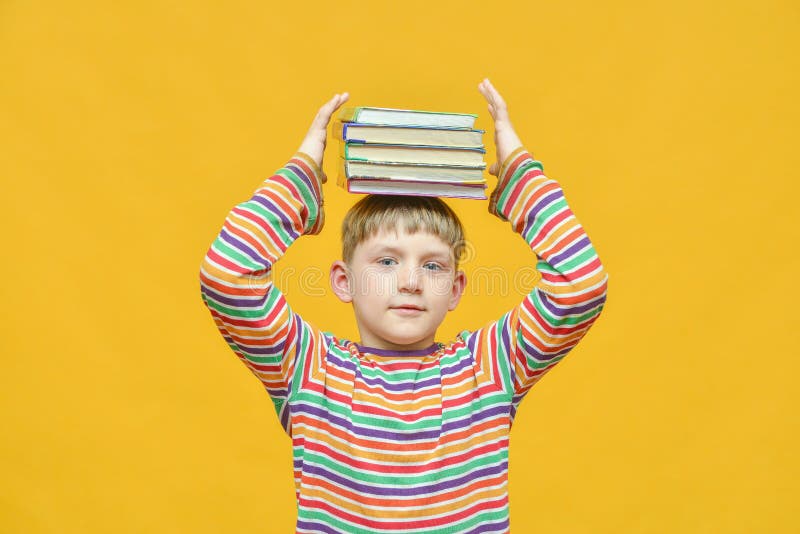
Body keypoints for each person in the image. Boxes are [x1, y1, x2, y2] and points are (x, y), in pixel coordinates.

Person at [199, 78, 608, 533]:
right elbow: (226, 274)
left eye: (433, 267)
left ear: (455, 289)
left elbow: (581, 285)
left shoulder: (488, 367)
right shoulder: (309, 369)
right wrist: (301, 174)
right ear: (343, 281)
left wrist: (519, 171)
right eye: (387, 261)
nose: (411, 282)